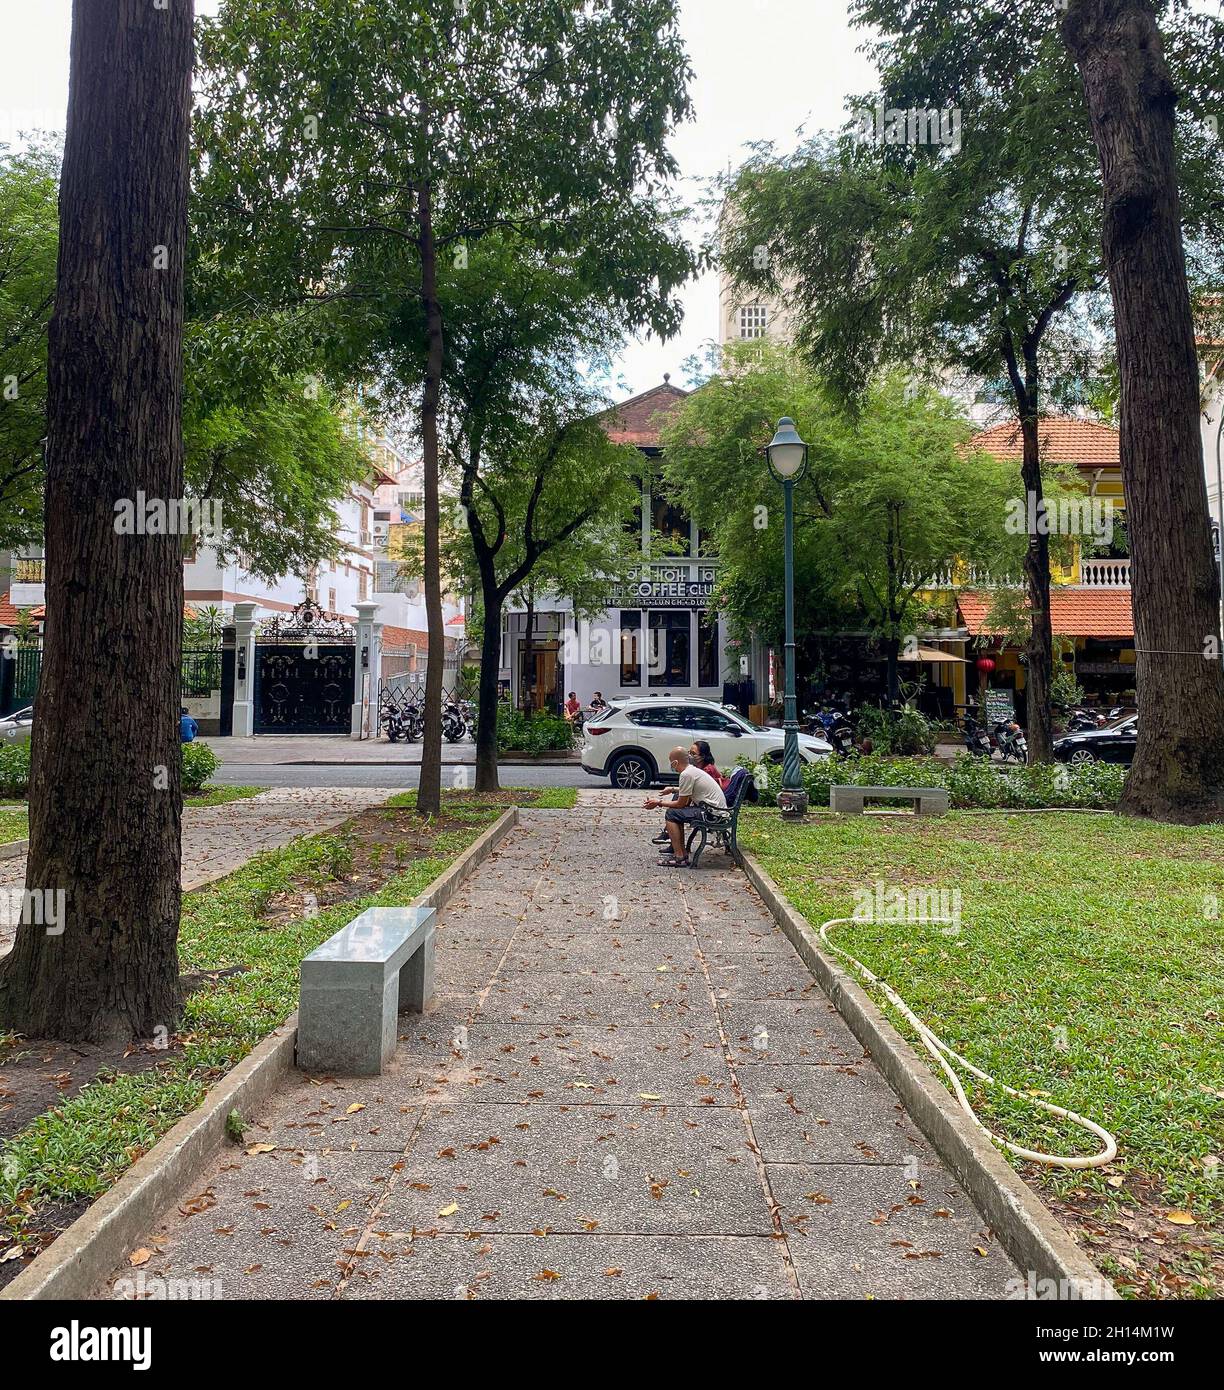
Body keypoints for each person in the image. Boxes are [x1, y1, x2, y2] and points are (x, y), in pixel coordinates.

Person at [644, 746, 727, 868]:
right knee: (676, 813)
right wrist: (672, 789)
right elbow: (690, 791)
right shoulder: (691, 771)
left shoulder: (686, 774)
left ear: (675, 762)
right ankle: (682, 853)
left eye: (670, 762)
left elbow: (680, 804)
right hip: (715, 811)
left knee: (671, 814)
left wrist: (658, 803)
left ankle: (680, 857)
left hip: (712, 814)